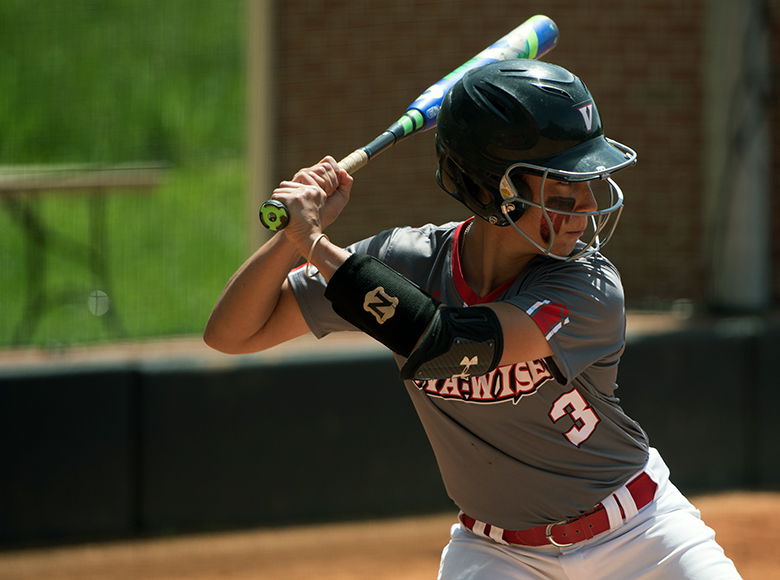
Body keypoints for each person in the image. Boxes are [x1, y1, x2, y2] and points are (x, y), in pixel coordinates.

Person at [205, 59, 742, 580]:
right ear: (492, 192)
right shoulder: (405, 263)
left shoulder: (588, 285)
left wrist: (317, 244)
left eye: (587, 180)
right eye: (562, 185)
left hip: (641, 540)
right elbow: (231, 333)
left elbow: (450, 346)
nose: (584, 202)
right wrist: (290, 236)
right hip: (497, 556)